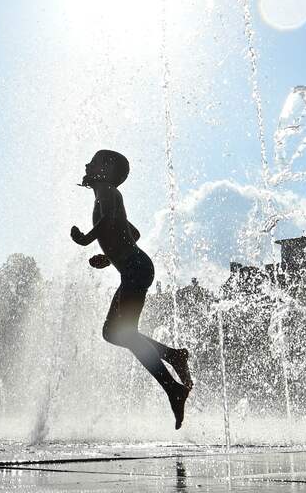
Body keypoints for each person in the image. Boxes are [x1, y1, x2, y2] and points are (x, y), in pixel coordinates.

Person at [70, 149, 192, 428]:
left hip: (136, 269)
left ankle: (173, 383)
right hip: (134, 269)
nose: (87, 163)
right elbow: (132, 233)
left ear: (107, 170)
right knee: (113, 332)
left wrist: (87, 239)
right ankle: (173, 358)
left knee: (122, 332)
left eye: (95, 161)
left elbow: (110, 219)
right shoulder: (106, 193)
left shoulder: (108, 192)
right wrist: (109, 255)